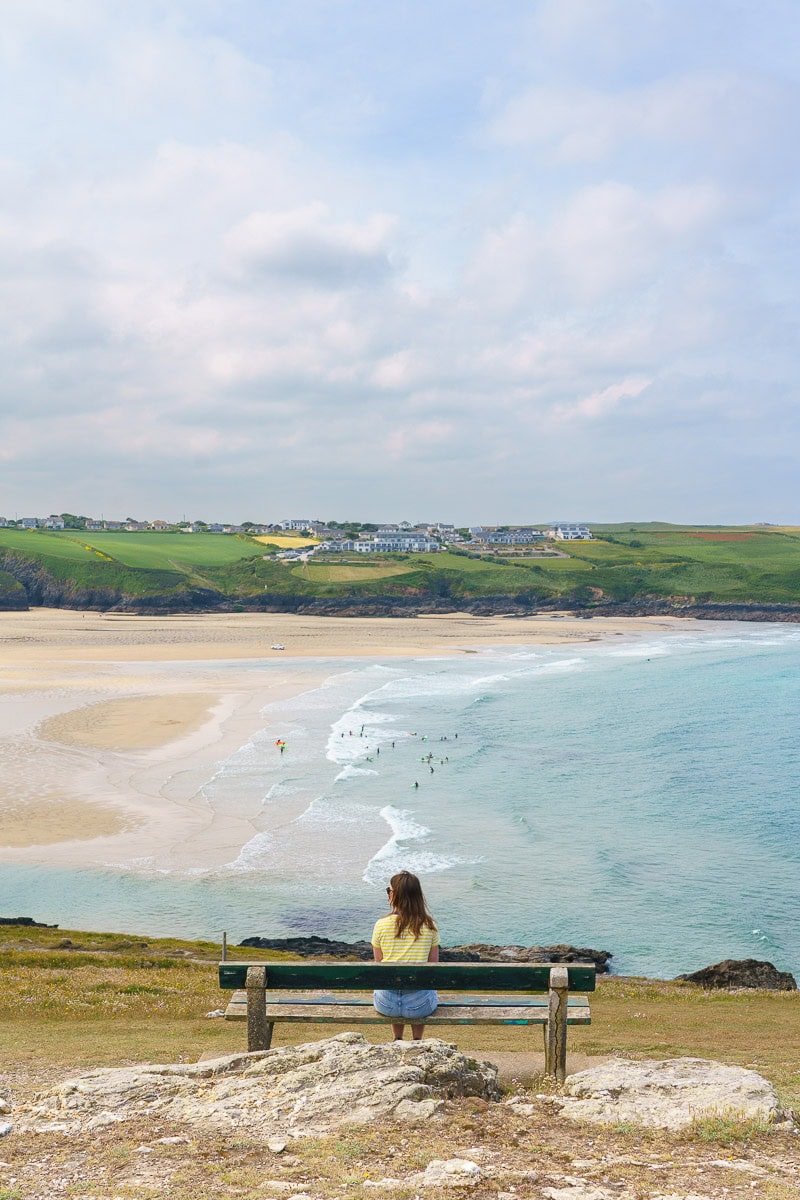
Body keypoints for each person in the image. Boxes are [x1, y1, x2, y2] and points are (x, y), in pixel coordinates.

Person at [371, 871, 439, 1041]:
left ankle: (397, 1038)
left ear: (393, 895)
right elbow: (433, 966)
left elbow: (379, 963)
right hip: (420, 1006)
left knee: (392, 983)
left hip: (386, 1006)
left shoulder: (381, 925)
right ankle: (417, 1039)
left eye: (389, 890)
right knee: (423, 987)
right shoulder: (429, 926)